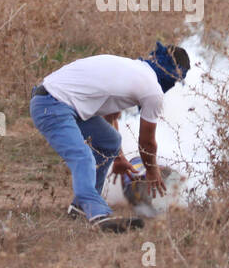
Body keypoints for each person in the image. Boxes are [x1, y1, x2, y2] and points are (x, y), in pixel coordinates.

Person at [29, 42, 191, 232]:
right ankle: (98, 215)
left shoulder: (135, 70)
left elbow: (110, 116)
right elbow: (146, 142)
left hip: (56, 101)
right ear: (173, 75)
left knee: (110, 141)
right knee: (82, 157)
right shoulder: (152, 90)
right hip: (51, 105)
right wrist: (153, 172)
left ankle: (81, 207)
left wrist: (120, 157)